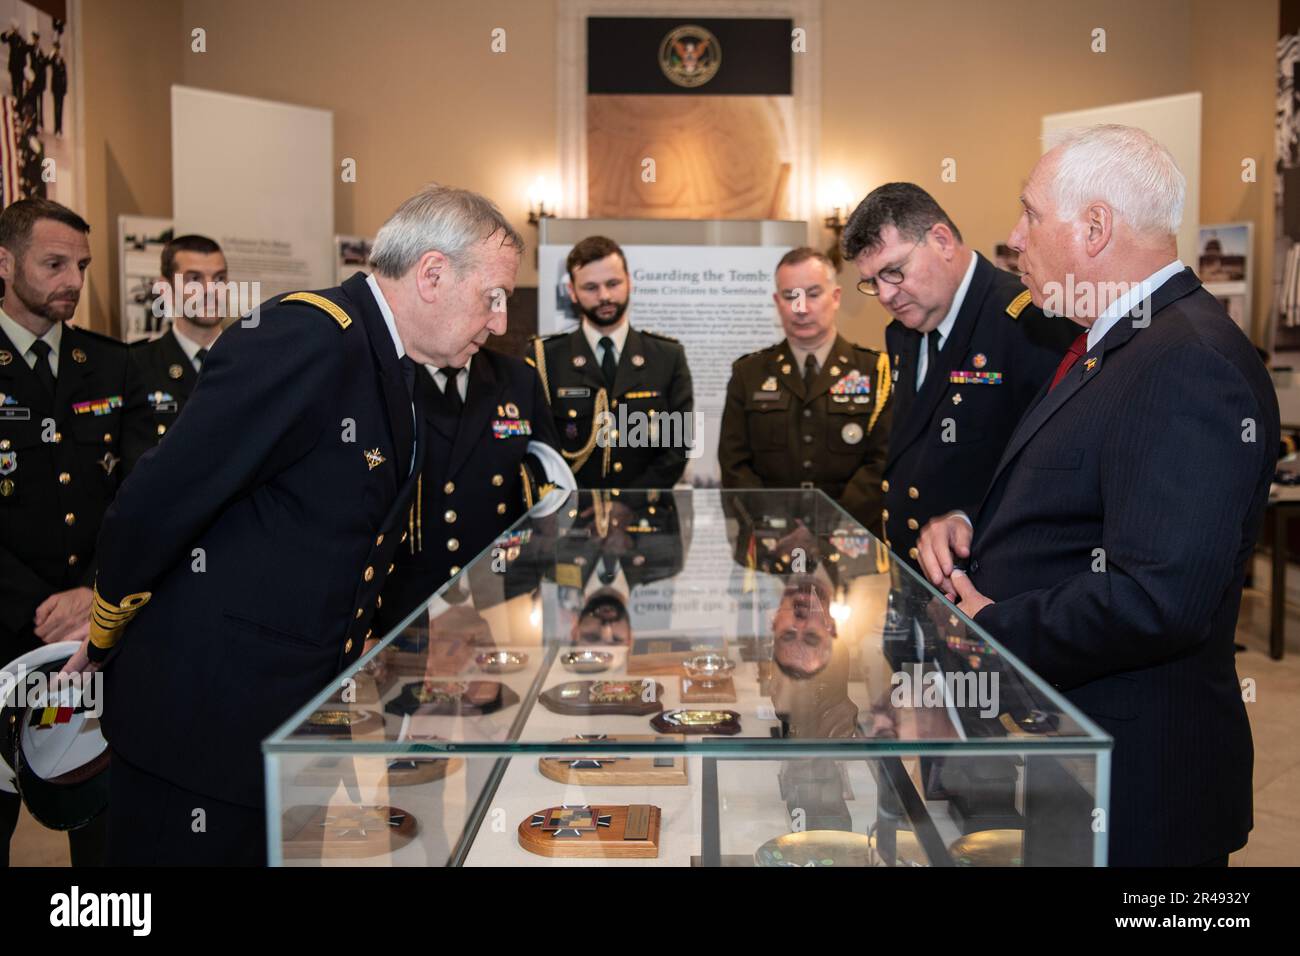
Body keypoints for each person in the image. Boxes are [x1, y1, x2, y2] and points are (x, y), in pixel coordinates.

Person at [64, 185, 523, 865]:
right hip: (207, 728)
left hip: (288, 721)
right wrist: (105, 625)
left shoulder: (386, 361)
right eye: (493, 296)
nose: (502, 320)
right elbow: (162, 497)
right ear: (431, 275)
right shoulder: (309, 336)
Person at [917, 124, 1279, 867]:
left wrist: (995, 626)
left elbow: (1158, 597)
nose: (1013, 239)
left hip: (1141, 778)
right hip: (1080, 749)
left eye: (1028, 213)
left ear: (1093, 227)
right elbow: (1081, 496)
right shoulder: (1118, 343)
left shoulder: (1187, 362)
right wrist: (970, 527)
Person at [843, 184, 1078, 567]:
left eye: (894, 271)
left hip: (989, 583)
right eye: (872, 282)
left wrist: (968, 515)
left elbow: (1056, 472)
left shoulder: (1028, 322)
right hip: (913, 575)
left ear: (941, 240)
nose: (885, 295)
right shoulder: (903, 331)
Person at [0, 198, 126, 866]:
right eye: (54, 263)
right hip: (4, 633)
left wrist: (93, 593)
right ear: (4, 262)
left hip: (95, 639)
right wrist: (40, 606)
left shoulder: (110, 366)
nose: (73, 280)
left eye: (80, 264)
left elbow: (139, 499)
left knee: (99, 823)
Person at [375, 342, 575, 631]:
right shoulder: (390, 376)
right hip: (412, 598)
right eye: (488, 299)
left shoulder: (517, 377)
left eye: (503, 299)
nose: (499, 323)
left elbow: (550, 485)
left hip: (502, 591)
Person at [719, 247, 891, 530]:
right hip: (771, 544)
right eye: (790, 296)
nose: (801, 308)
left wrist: (824, 528)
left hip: (852, 544)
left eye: (813, 294)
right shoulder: (748, 374)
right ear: (777, 302)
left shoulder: (876, 372)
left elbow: (882, 464)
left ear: (835, 297)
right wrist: (784, 529)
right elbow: (734, 467)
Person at [530, 236, 694, 488]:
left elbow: (679, 444)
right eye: (590, 287)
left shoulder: (667, 356)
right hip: (574, 516)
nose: (604, 296)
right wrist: (580, 503)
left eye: (613, 283)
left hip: (647, 516)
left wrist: (628, 503)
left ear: (629, 282)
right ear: (572, 292)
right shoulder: (546, 358)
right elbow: (540, 448)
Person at [121, 234, 227, 472]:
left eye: (219, 278)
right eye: (194, 280)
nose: (211, 291)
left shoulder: (251, 361)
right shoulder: (136, 365)